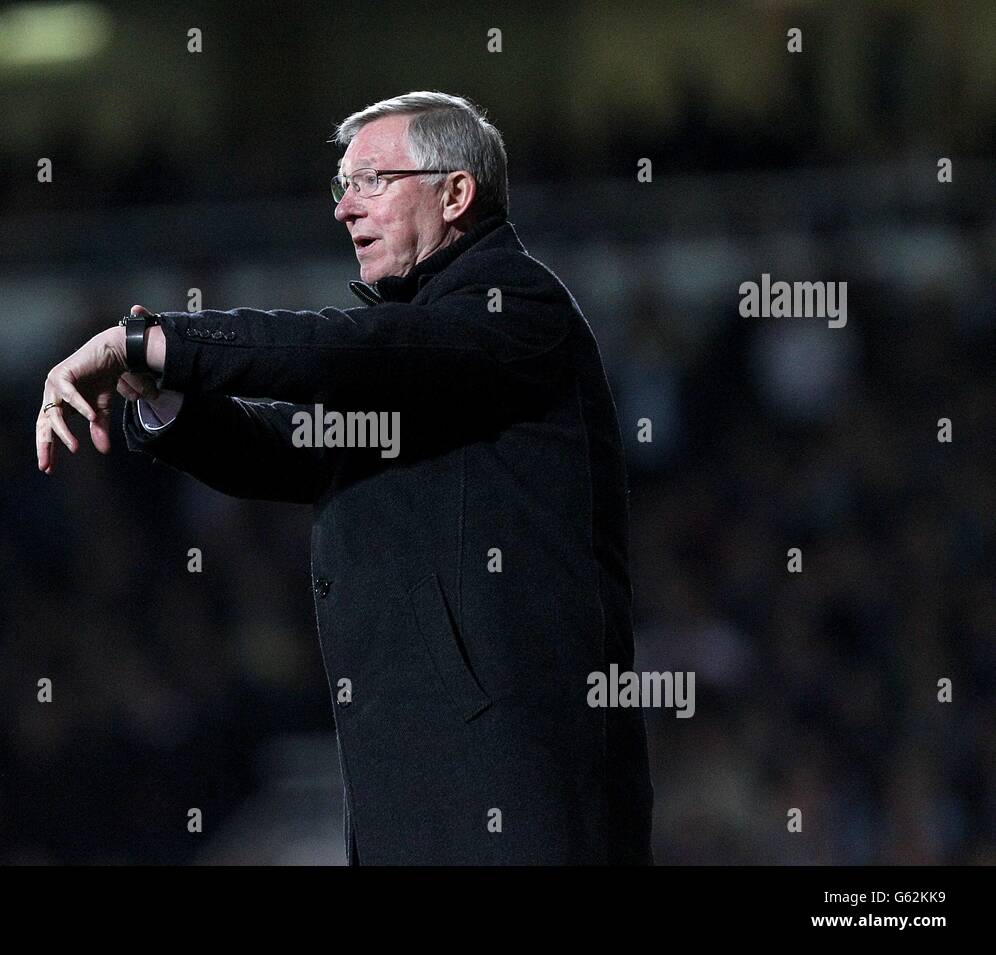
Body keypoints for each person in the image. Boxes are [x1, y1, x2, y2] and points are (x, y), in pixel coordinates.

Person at [35, 91, 653, 864]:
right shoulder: (414, 356)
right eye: (340, 186)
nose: (343, 209)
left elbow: (345, 351)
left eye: (370, 181)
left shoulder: (515, 309)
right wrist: (164, 392)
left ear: (455, 193)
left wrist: (151, 341)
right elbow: (282, 447)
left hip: (514, 804)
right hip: (417, 802)